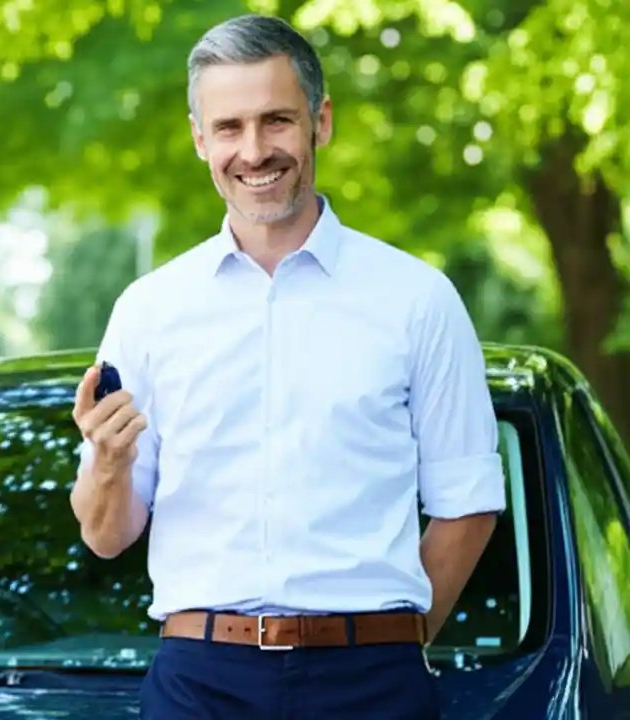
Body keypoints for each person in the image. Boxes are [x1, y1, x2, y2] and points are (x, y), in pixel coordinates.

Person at [69, 13, 505, 720]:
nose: (254, 150)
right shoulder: (149, 310)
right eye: (230, 127)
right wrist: (110, 464)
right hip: (198, 684)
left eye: (276, 121)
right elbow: (105, 533)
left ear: (320, 123)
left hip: (374, 684)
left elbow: (468, 503)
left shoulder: (417, 300)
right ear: (199, 138)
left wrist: (391, 642)